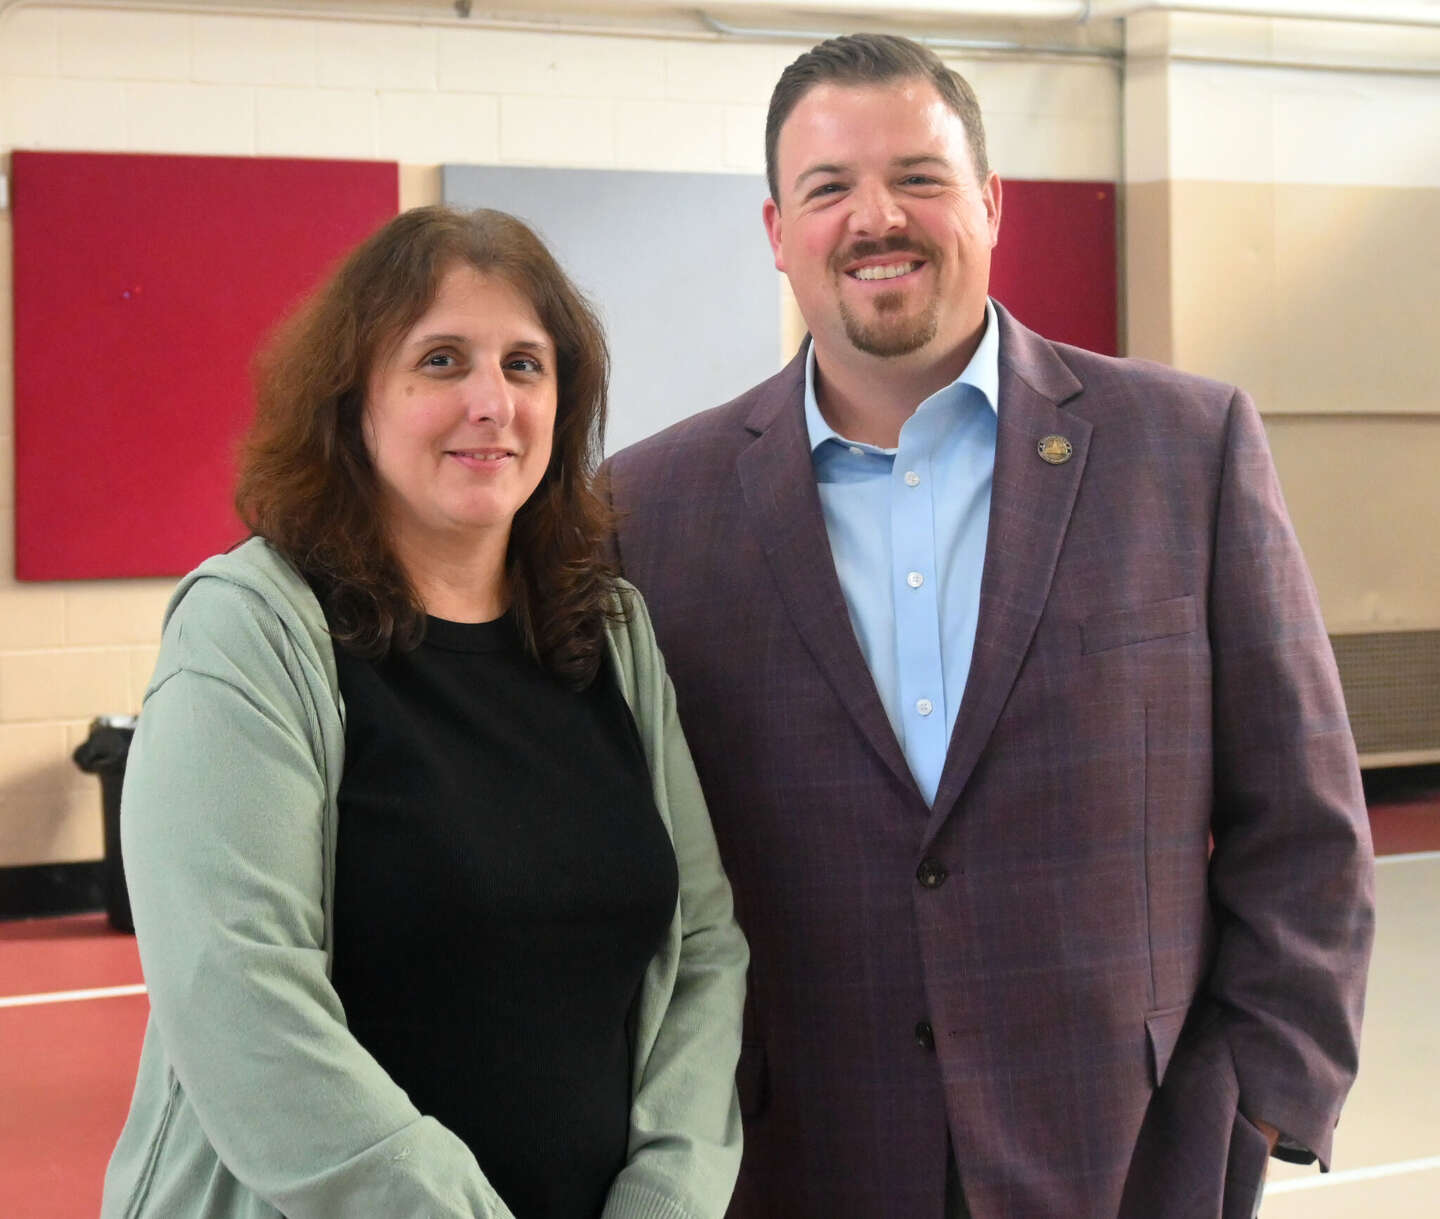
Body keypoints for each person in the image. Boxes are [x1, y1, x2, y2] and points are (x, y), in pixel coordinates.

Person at [601, 33, 1374, 1219]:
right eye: (829, 189)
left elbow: (1304, 817)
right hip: (797, 1156)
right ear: (774, 234)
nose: (877, 218)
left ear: (989, 202)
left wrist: (1266, 1093)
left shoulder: (1185, 447)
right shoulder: (652, 508)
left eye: (918, 176)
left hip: (1131, 1150)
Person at [102, 206, 747, 1219]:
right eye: (442, 360)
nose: (492, 401)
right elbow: (236, 995)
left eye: (525, 365)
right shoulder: (253, 629)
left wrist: (668, 1192)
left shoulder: (608, 630)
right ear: (352, 398)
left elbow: (704, 943)